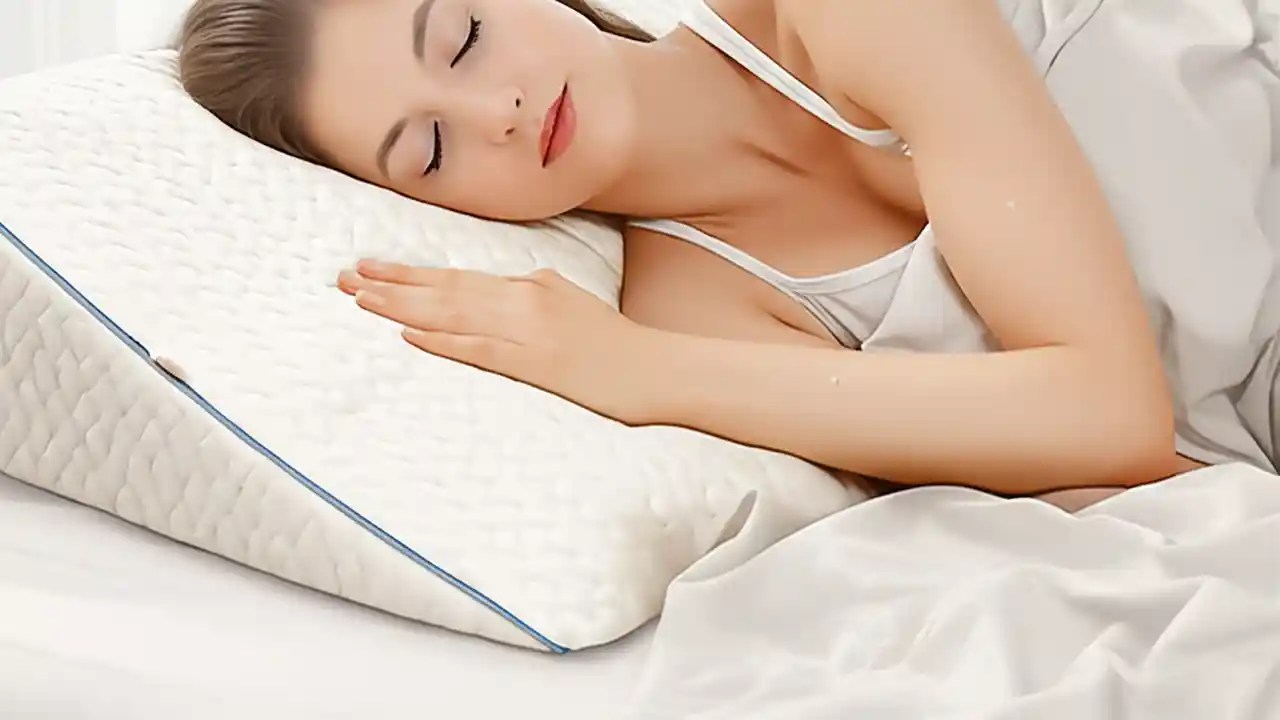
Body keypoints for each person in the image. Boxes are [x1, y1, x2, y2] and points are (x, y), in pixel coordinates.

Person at [175, 0, 1280, 511]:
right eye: (429, 149)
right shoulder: (691, 320)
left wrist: (639, 373)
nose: (495, 111)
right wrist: (635, 369)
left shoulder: (832, 12)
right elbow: (1133, 475)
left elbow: (1105, 412)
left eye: (463, 37)